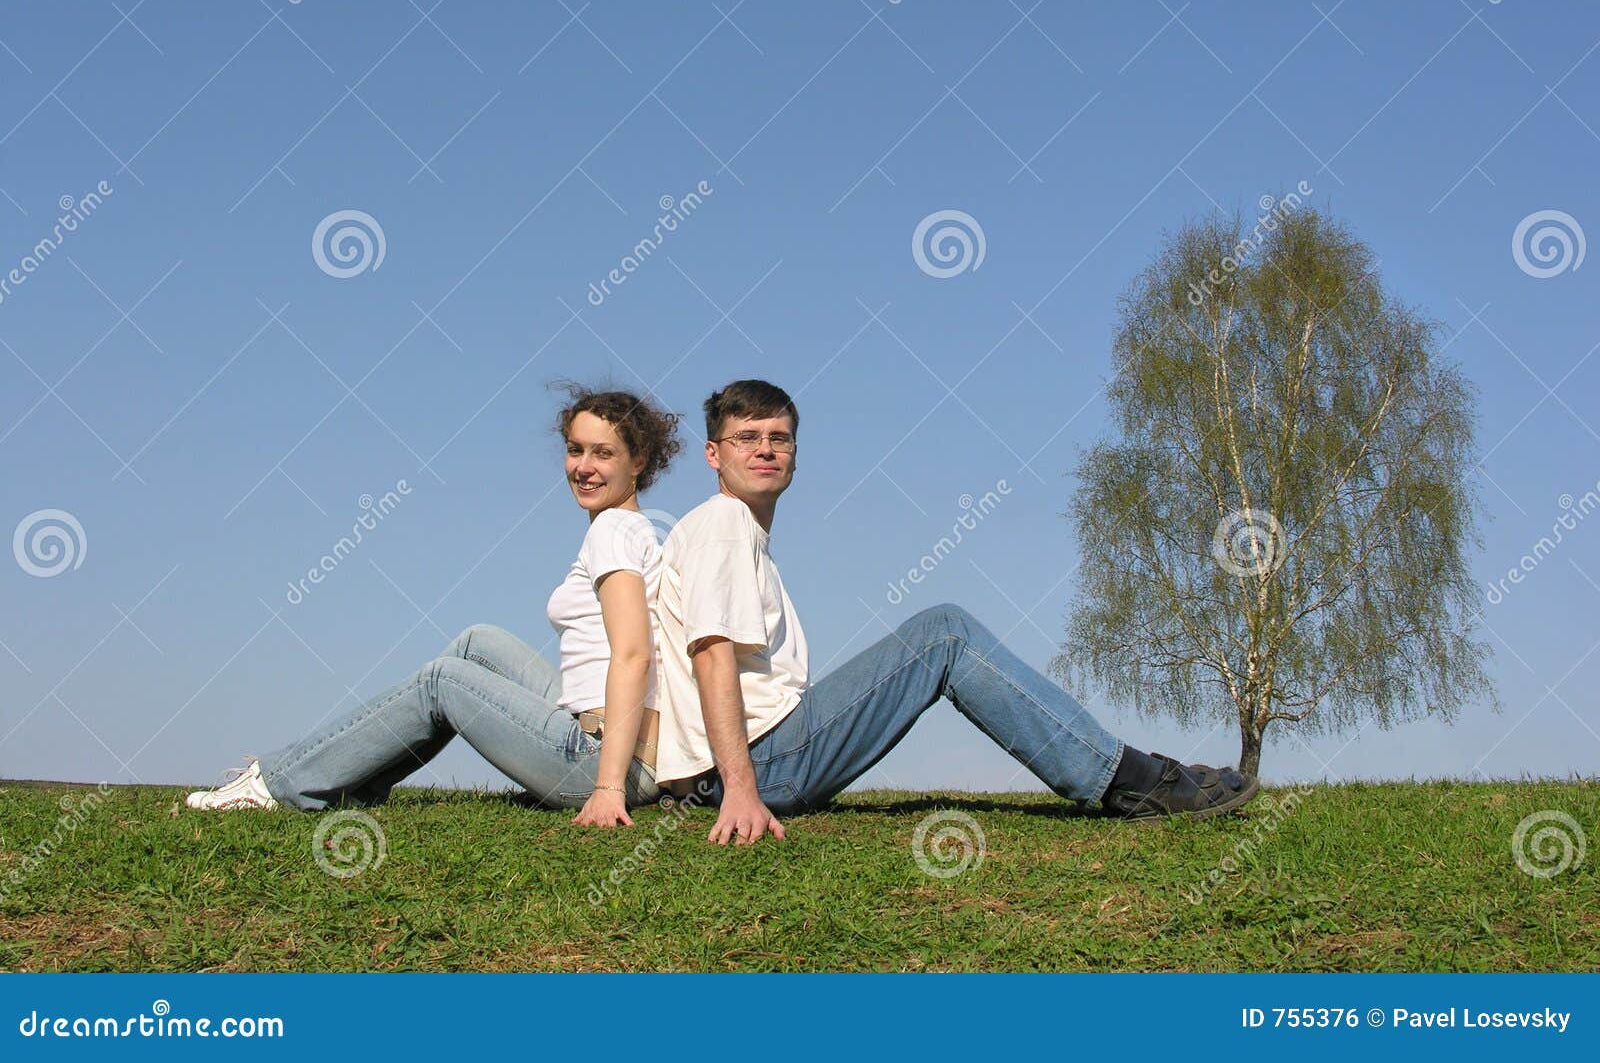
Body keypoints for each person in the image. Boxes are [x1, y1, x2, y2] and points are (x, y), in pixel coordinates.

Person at [651, 379, 1262, 846]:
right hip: (763, 763)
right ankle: (1131, 781)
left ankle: (1127, 774)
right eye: (747, 438)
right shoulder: (722, 525)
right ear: (713, 454)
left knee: (942, 632)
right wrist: (739, 789)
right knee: (944, 634)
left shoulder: (734, 532)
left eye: (778, 438)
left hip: (760, 760)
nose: (765, 450)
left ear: (795, 451)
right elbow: (711, 654)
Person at [185, 385, 682, 827]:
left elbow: (634, 653)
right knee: (478, 643)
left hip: (598, 757)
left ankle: (275, 785)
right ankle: (359, 783)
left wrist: (607, 787)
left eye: (603, 453)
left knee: (441, 680)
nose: (583, 467)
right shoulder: (628, 528)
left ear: (638, 462)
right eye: (575, 450)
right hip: (619, 743)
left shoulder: (614, 533)